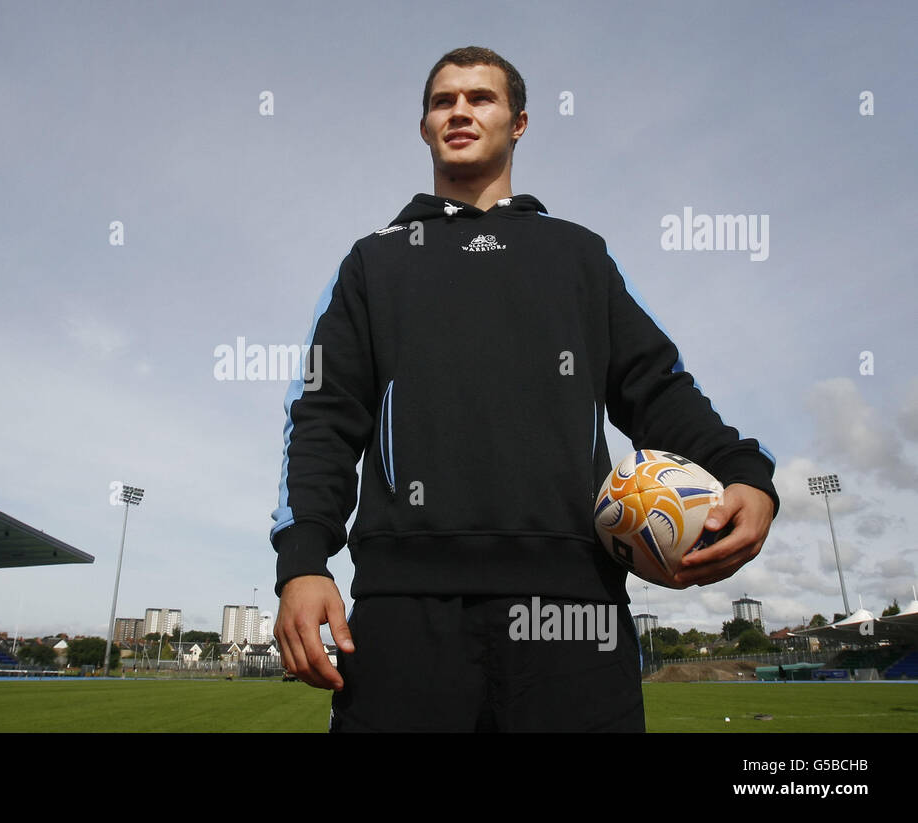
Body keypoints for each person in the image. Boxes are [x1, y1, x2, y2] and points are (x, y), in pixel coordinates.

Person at [269, 46, 778, 732]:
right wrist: (303, 560)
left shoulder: (577, 254)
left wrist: (744, 471)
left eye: (480, 98)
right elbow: (324, 417)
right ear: (423, 127)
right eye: (442, 100)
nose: (459, 110)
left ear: (520, 123)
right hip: (405, 607)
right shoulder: (375, 260)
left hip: (574, 607)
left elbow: (655, 387)